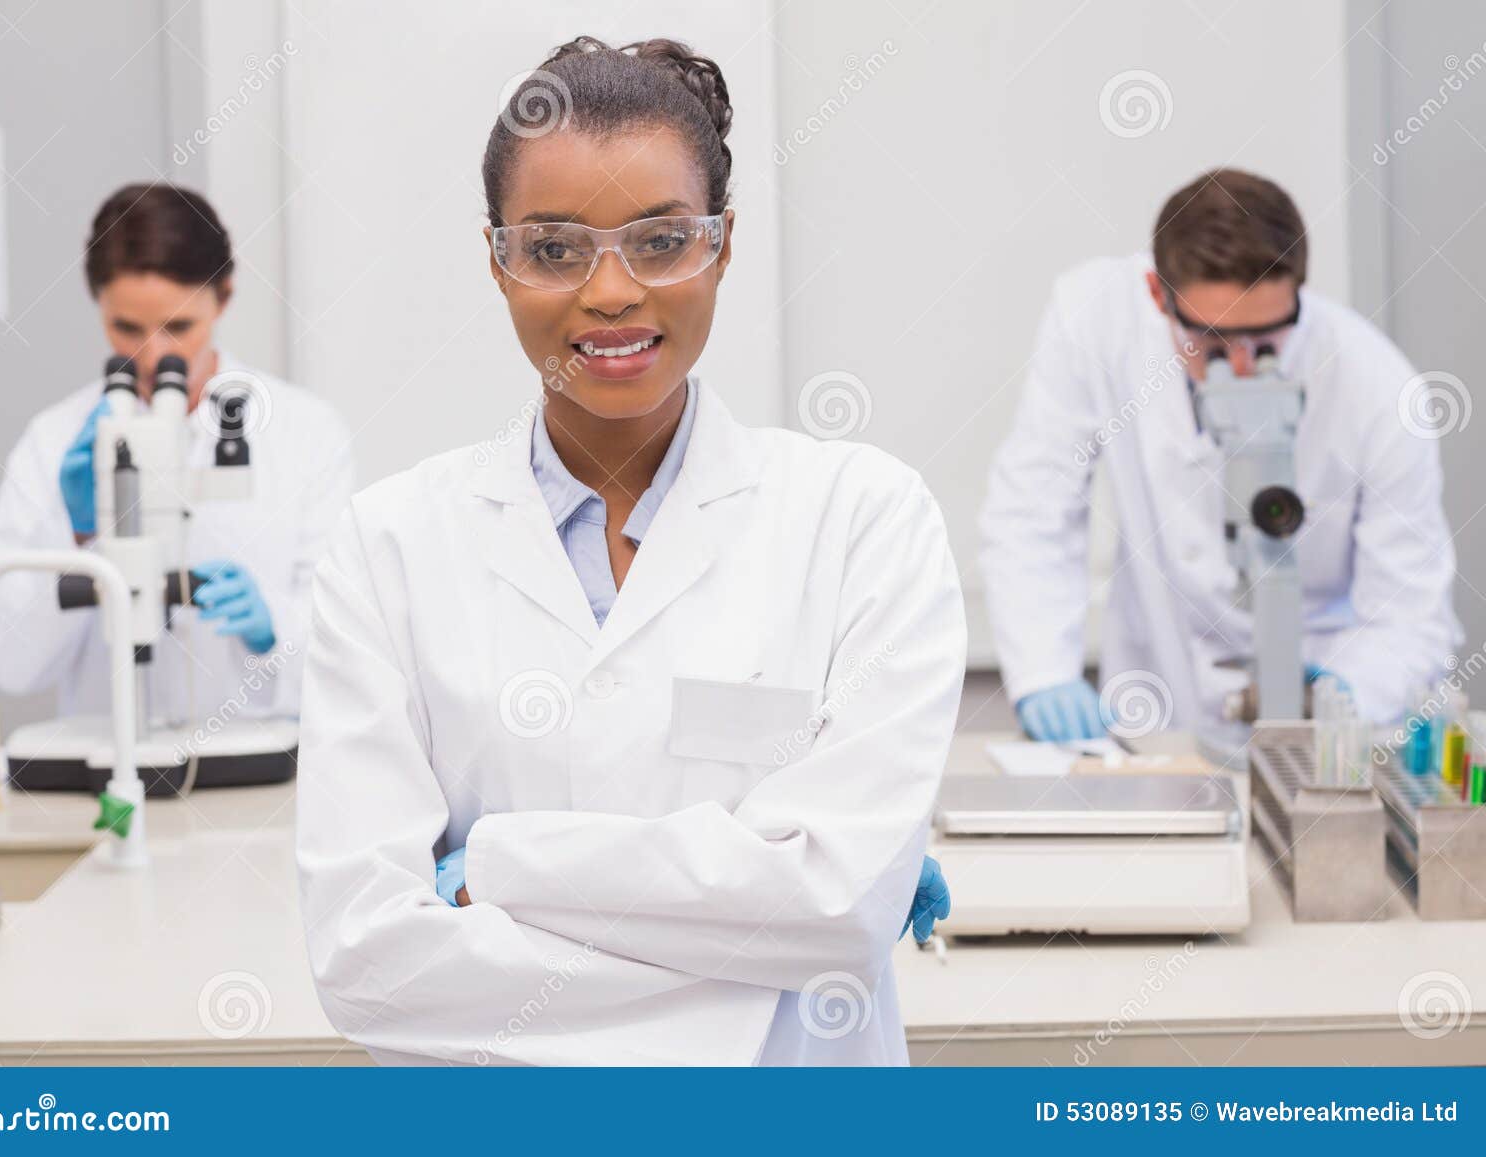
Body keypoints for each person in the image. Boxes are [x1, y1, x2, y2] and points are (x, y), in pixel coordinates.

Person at [295, 37, 964, 1066]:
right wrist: (752, 939)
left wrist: (501, 866)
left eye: (660, 241)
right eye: (555, 249)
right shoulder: (388, 547)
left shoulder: (864, 520)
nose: (610, 290)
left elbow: (834, 909)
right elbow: (367, 961)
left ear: (722, 246)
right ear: (498, 261)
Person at [980, 168, 1460, 742]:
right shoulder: (1097, 319)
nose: (1240, 365)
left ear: (1298, 292)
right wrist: (1042, 673)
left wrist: (1342, 691)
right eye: (1210, 341)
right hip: (1159, 696)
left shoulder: (1377, 387)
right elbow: (1034, 510)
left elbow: (1412, 612)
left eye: (1266, 341)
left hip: (1322, 711)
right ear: (1158, 295)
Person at [0, 183, 354, 724]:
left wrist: (275, 629)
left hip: (253, 756)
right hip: (109, 759)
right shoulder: (54, 439)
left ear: (224, 298)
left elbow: (345, 653)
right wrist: (75, 534)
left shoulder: (304, 432)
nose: (152, 358)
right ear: (97, 304)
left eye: (180, 327)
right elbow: (9, 664)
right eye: (126, 329)